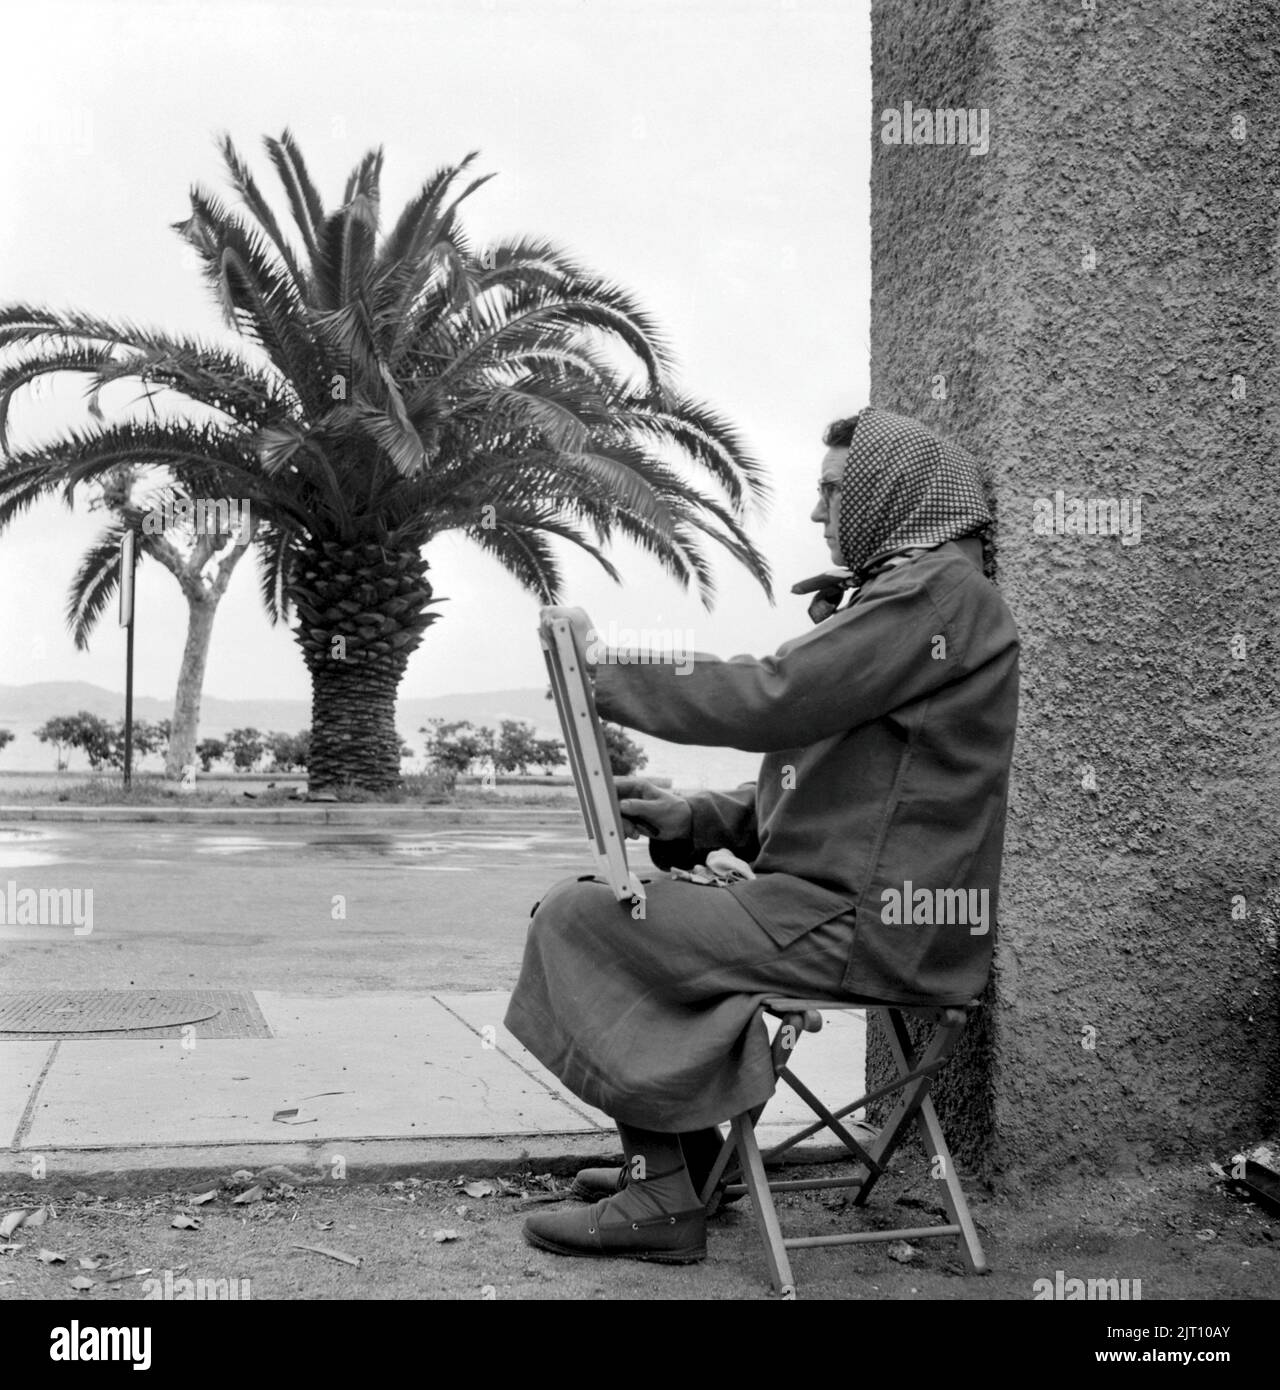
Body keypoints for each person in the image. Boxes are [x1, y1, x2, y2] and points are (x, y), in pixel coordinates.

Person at [503, 407, 1020, 1264]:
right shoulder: (922, 597)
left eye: (833, 491)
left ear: (894, 492)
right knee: (622, 913)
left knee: (582, 918)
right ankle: (691, 1157)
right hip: (855, 912)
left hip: (863, 923)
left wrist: (604, 675)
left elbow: (777, 695)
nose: (820, 514)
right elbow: (839, 784)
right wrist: (697, 819)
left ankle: (663, 1196)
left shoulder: (936, 595)